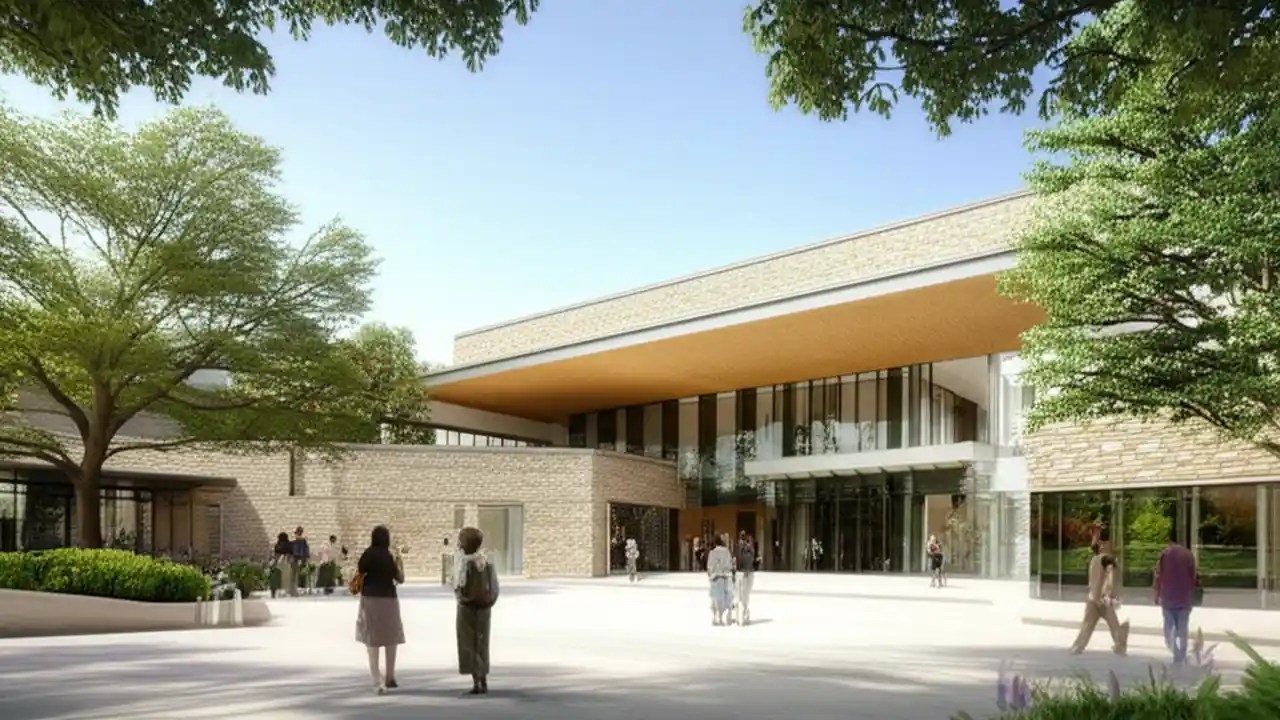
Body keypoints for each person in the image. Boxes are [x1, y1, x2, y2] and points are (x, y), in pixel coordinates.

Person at [356, 525, 405, 695]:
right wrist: (399, 559)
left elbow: (360, 572)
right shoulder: (388, 556)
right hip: (388, 598)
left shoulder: (367, 554)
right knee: (390, 638)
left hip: (370, 598)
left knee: (372, 640)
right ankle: (390, 676)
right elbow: (400, 578)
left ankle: (377, 680)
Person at [455, 526, 500, 695]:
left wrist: (460, 596)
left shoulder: (465, 562)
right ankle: (484, 679)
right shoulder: (487, 561)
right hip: (485, 607)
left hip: (467, 608)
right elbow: (494, 585)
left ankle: (476, 681)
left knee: (468, 644)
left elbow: (460, 585)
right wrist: (490, 600)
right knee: (482, 642)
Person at [1070, 548, 1129, 655]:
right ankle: (1120, 646)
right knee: (1115, 624)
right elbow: (1108, 580)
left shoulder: (1094, 560)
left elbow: (1092, 581)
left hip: (1094, 597)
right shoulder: (1109, 561)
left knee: (1088, 624)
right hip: (1106, 599)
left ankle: (1078, 647)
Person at [1154, 531, 1198, 664]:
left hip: (1168, 597)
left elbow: (1158, 576)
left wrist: (1157, 594)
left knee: (1169, 629)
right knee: (1183, 628)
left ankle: (1176, 652)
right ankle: (1182, 654)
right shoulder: (1188, 555)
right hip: (1184, 598)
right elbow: (1194, 577)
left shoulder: (1164, 554)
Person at [707, 535, 734, 626]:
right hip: (724, 577)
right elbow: (730, 565)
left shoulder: (712, 552)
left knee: (714, 598)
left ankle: (714, 617)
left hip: (714, 578)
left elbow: (709, 566)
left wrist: (711, 574)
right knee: (723, 597)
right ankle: (721, 617)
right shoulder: (726, 551)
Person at [735, 531, 757, 626]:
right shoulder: (751, 550)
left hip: (741, 573)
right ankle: (744, 615)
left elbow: (738, 559)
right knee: (745, 596)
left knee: (739, 597)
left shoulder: (740, 548)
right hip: (749, 573)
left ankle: (740, 617)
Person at [271, 532, 293, 599]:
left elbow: (275, 554)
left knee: (277, 578)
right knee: (286, 578)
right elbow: (291, 553)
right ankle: (286, 591)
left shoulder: (277, 545)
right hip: (286, 562)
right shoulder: (289, 545)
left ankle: (276, 592)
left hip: (279, 563)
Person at [291, 527, 310, 596]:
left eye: (296, 533)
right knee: (301, 574)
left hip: (299, 560)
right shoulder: (301, 541)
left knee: (299, 574)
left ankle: (299, 588)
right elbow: (306, 551)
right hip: (301, 560)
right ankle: (300, 587)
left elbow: (300, 551)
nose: (295, 535)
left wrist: (300, 559)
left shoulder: (300, 541)